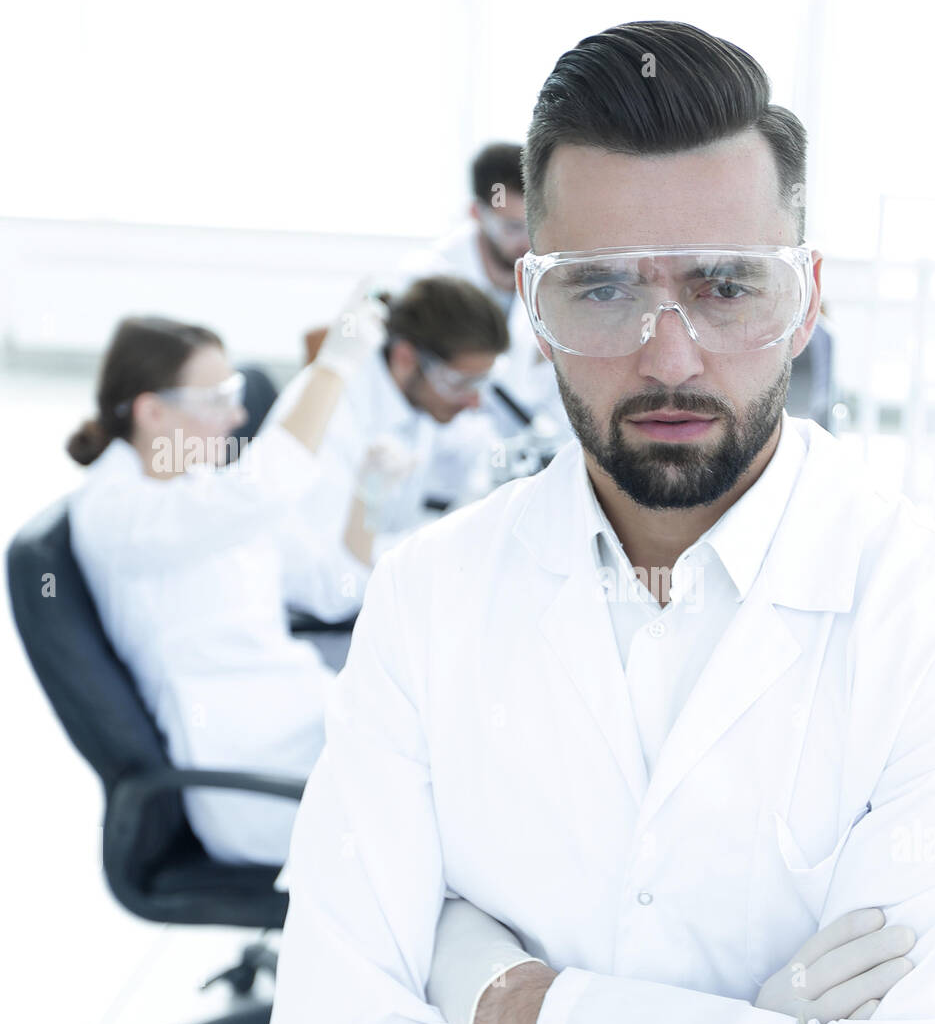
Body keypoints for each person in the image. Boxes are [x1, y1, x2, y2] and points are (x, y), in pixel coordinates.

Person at [269, 20, 935, 1024]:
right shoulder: (431, 595)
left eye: (726, 284)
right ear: (532, 302)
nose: (669, 355)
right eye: (602, 288)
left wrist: (499, 996)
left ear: (804, 302)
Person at [67, 290, 388, 867]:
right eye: (217, 399)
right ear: (152, 411)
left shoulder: (201, 488)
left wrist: (372, 490)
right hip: (252, 780)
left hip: (311, 724)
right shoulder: (119, 514)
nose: (237, 416)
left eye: (234, 394)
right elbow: (268, 482)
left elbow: (332, 586)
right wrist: (331, 368)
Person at [265, 276, 509, 581]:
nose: (474, 402)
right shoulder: (337, 416)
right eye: (460, 383)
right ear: (406, 357)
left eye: (480, 383)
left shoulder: (419, 397)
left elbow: (476, 455)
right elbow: (327, 581)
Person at [391, 142, 571, 443]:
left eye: (533, 225)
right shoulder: (429, 280)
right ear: (476, 213)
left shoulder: (552, 276)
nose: (526, 241)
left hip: (524, 449)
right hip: (439, 455)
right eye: (512, 227)